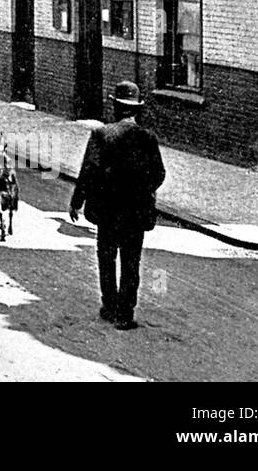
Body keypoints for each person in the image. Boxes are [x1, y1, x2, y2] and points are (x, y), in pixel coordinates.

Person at [69, 81, 167, 331]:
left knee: (107, 258)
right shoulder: (147, 138)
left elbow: (89, 170)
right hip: (135, 212)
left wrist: (77, 201)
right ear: (136, 110)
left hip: (108, 210)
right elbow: (159, 173)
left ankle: (109, 306)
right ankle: (126, 312)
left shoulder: (101, 134)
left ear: (115, 107)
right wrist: (143, 192)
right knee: (131, 261)